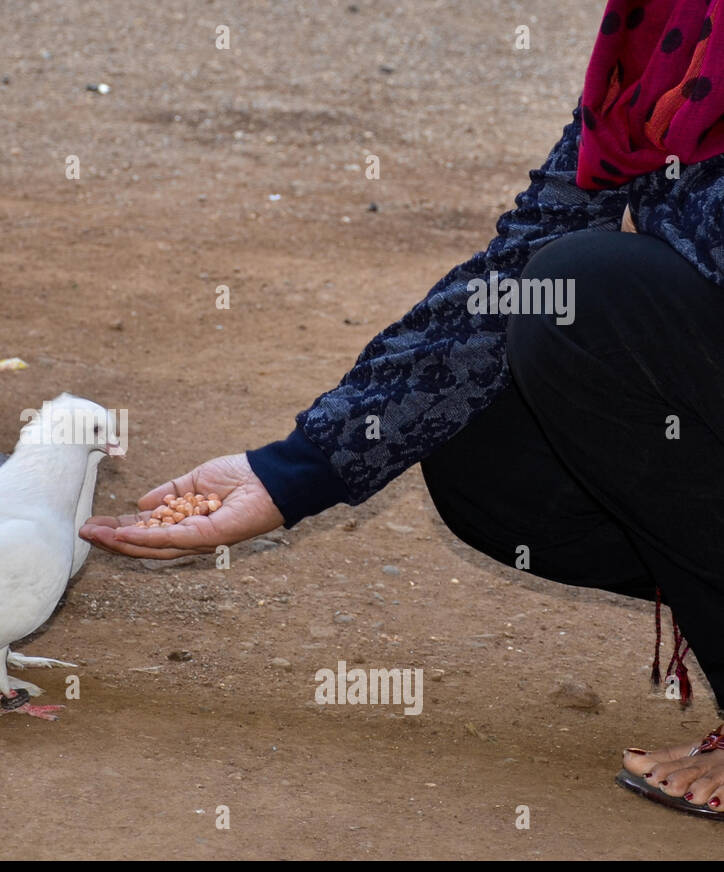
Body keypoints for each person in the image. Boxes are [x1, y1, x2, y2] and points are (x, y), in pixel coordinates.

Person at [80, 0, 724, 819]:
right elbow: (523, 261)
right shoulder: (674, 34)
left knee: (602, 293)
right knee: (481, 438)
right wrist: (295, 471)